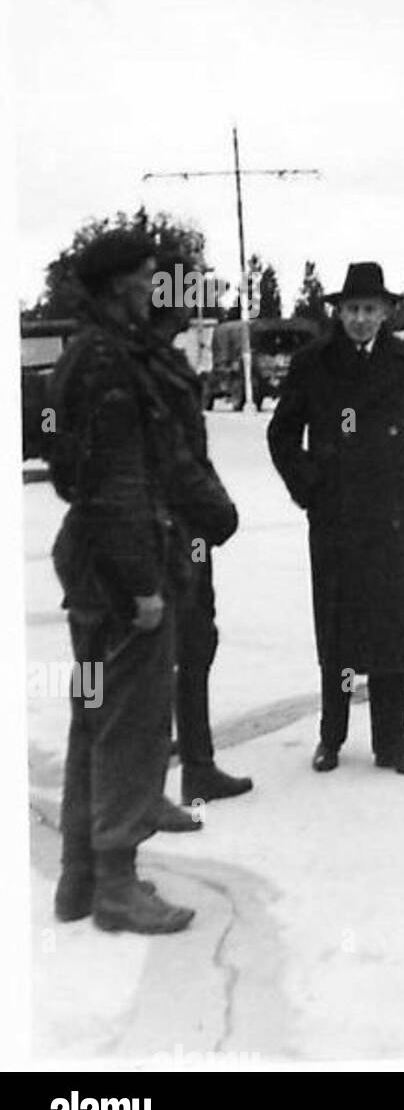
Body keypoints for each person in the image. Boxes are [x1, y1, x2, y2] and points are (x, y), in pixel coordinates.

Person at [46, 232, 196, 933]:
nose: (152, 287)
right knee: (129, 729)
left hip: (87, 576)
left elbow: (68, 470)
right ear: (114, 287)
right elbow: (115, 485)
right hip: (118, 585)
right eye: (142, 277)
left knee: (91, 720)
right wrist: (142, 588)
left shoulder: (85, 353)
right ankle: (117, 886)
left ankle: (78, 879)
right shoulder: (109, 362)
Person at [268, 262, 404, 775]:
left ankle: (393, 744)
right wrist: (311, 489)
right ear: (338, 312)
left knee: (397, 631)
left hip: (394, 518)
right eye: (352, 310)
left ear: (387, 312)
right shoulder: (313, 363)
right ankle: (332, 737)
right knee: (339, 631)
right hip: (337, 518)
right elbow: (282, 435)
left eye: (370, 310)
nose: (361, 320)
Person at [144, 246, 251, 805]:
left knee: (190, 641)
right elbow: (179, 462)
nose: (195, 303)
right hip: (176, 532)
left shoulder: (162, 361)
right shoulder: (154, 367)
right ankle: (184, 771)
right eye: (187, 292)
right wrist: (219, 512)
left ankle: (189, 760)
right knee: (182, 642)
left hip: (180, 532)